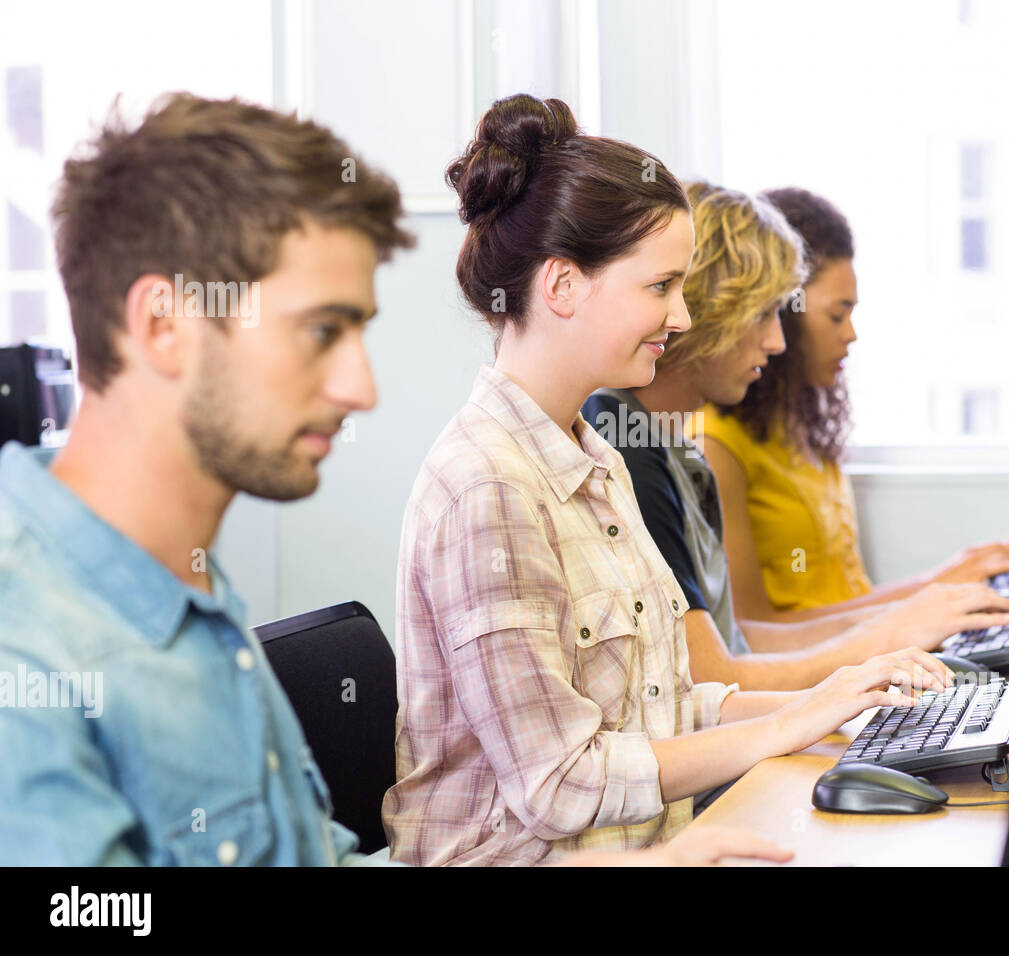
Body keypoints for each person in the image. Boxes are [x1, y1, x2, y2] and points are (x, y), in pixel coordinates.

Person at [0, 92, 764, 869]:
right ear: (164, 326)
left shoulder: (183, 597)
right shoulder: (28, 649)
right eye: (321, 330)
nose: (361, 389)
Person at [382, 94, 953, 866]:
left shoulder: (596, 456)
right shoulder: (488, 488)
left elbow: (666, 704)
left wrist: (835, 703)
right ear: (562, 287)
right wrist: (790, 724)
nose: (683, 318)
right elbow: (558, 783)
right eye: (660, 287)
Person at [583, 182, 1009, 690]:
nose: (776, 341)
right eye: (761, 314)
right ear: (710, 312)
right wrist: (888, 637)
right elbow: (712, 679)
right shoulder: (630, 448)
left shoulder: (672, 446)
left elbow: (740, 640)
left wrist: (911, 618)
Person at [692, 187, 1009, 622]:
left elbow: (844, 596)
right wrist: (935, 588)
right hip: (825, 669)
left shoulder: (798, 423)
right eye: (836, 315)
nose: (851, 334)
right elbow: (753, 632)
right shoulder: (715, 444)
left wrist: (945, 588)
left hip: (865, 652)